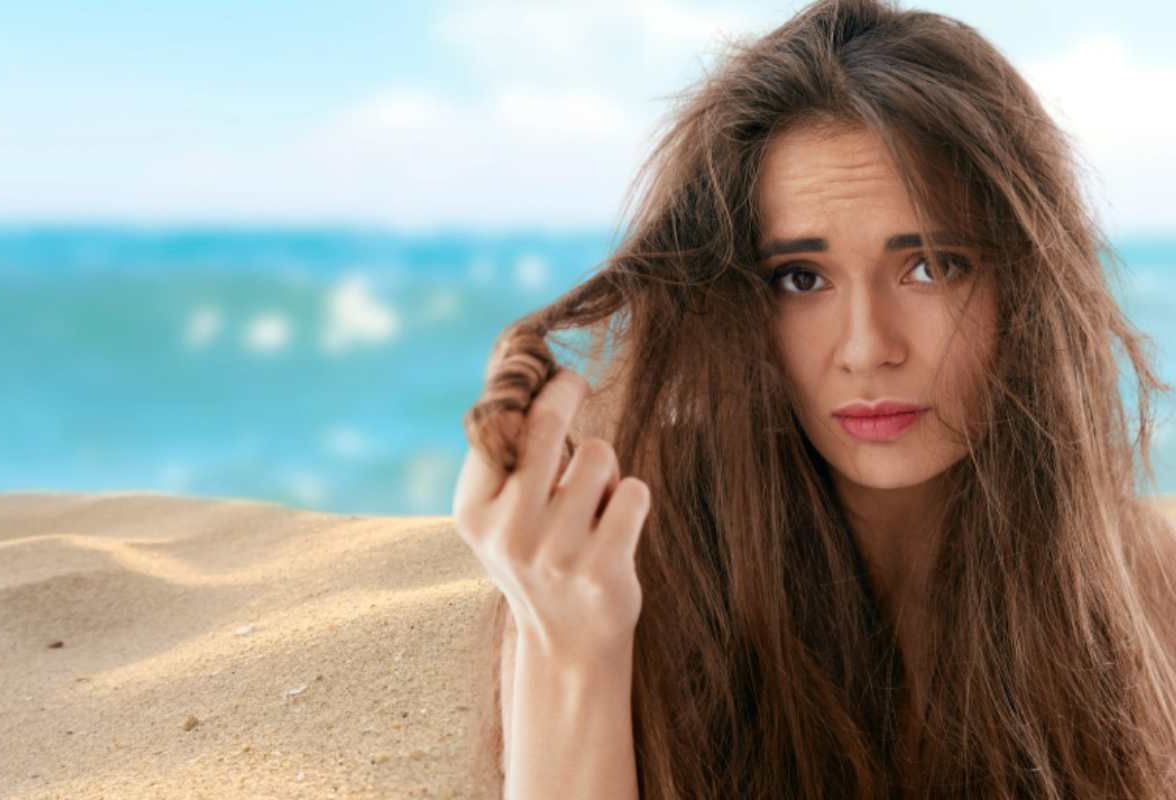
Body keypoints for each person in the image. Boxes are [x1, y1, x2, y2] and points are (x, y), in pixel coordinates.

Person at [451, 0, 1176, 796]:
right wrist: (569, 643)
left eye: (931, 266)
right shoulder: (623, 579)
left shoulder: (1141, 596)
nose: (867, 347)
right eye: (801, 278)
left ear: (1030, 286)